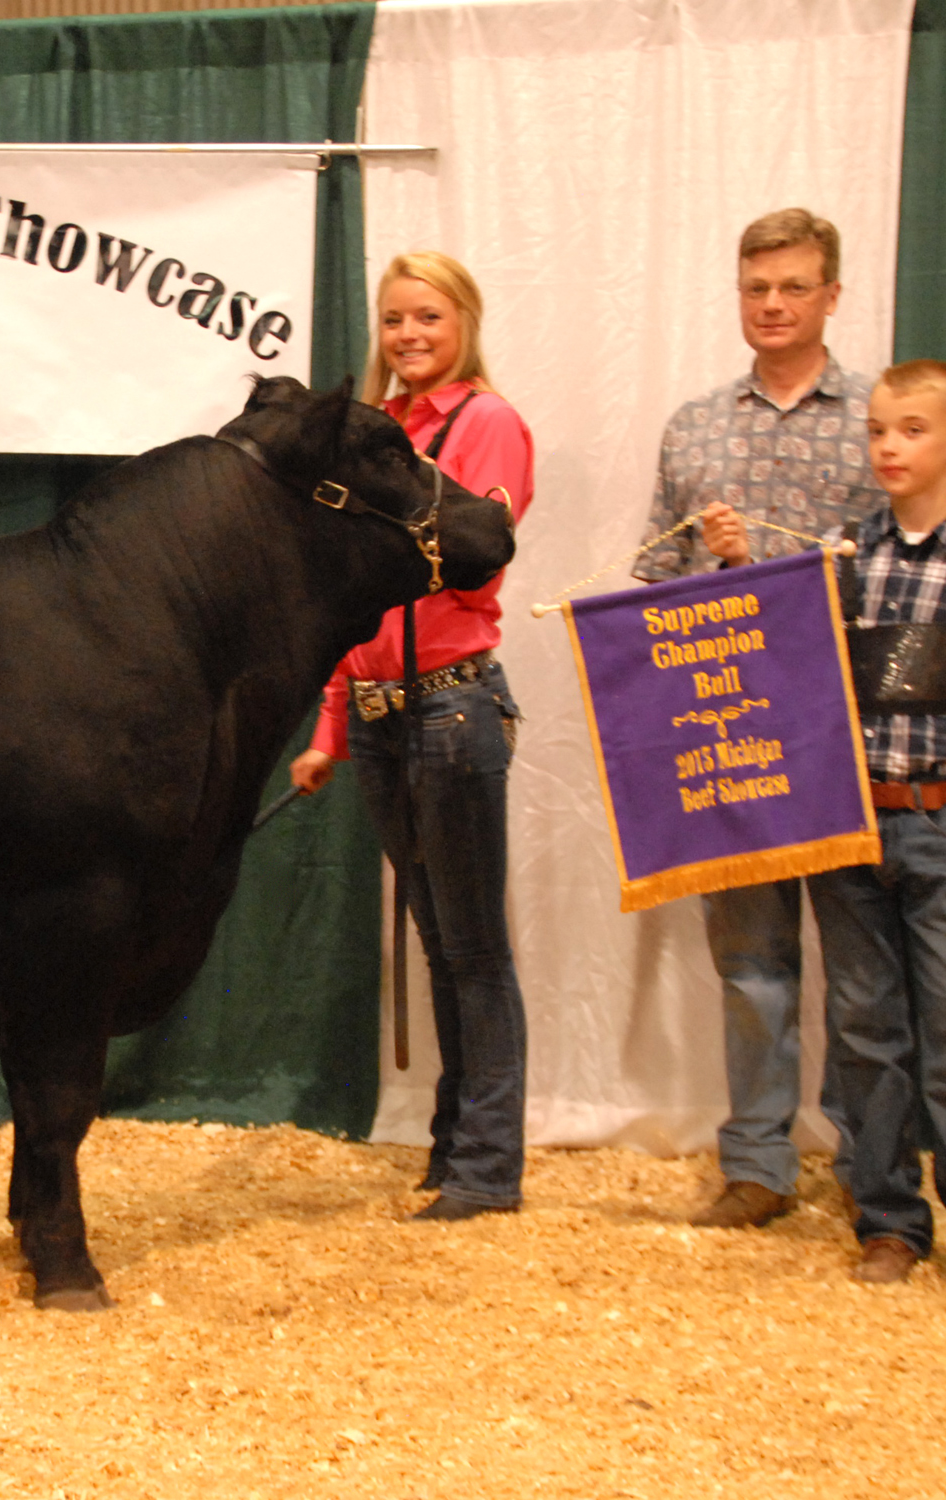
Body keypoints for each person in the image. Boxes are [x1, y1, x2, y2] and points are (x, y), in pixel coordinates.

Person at [708, 360, 946, 1302]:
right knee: (865, 1030)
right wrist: (739, 566)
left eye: (909, 431)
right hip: (850, 829)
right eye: (879, 433)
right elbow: (777, 650)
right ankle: (889, 1218)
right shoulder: (841, 557)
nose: (890, 448)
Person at [633, 208, 883, 1229]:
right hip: (728, 735)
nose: (773, 305)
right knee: (751, 966)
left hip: (849, 734)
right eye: (756, 288)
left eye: (793, 287)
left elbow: (917, 565)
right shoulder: (693, 426)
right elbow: (651, 571)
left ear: (832, 295)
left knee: (867, 973)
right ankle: (757, 1167)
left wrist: (786, 566)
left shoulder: (880, 415)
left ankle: (878, 1172)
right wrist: (704, 561)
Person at [288, 251, 533, 1220]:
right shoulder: (380, 436)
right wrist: (330, 727)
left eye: (428, 316)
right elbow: (350, 601)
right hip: (386, 713)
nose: (409, 336)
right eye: (394, 320)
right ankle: (453, 1144)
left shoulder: (489, 425)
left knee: (473, 946)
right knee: (441, 940)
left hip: (455, 700)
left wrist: (403, 531)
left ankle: (487, 1165)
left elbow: (477, 567)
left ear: (464, 322)